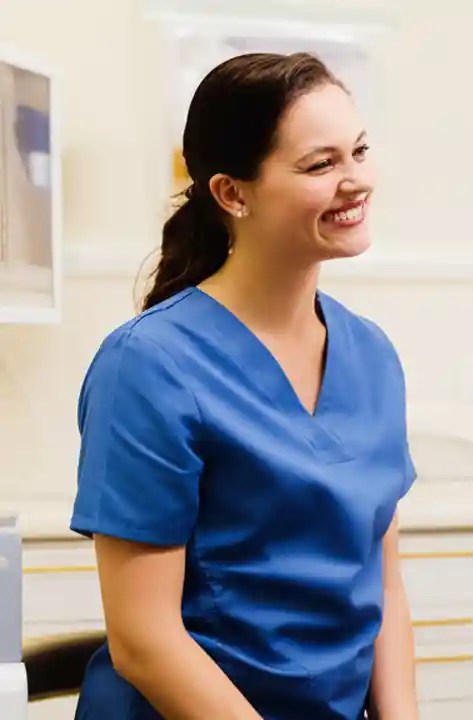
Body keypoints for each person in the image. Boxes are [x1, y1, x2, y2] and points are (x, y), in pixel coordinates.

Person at [69, 52, 418, 719]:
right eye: (322, 164)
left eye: (360, 151)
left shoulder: (370, 354)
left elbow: (385, 589)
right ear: (233, 193)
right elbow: (144, 640)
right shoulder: (148, 366)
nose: (356, 181)